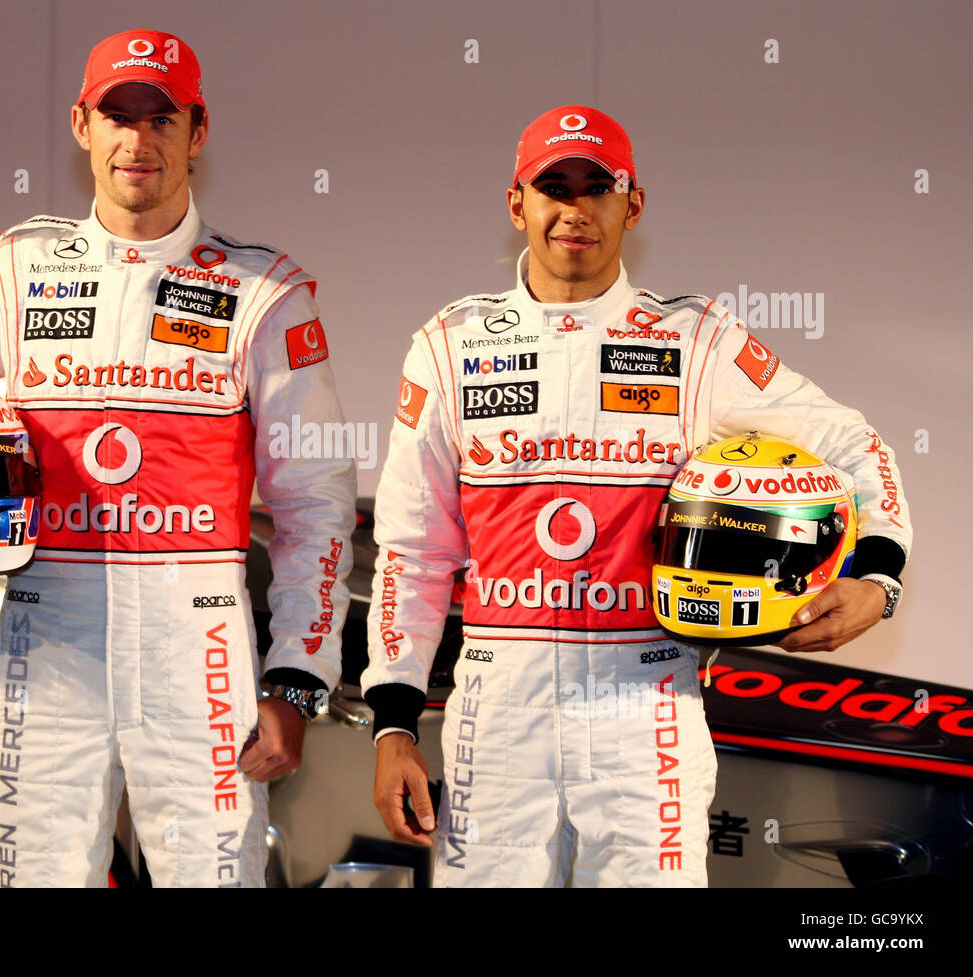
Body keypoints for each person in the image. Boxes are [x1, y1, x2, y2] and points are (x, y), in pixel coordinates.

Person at [0, 29, 356, 888]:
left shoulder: (265, 293)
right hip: (48, 624)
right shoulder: (20, 269)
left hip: (199, 635)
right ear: (81, 125)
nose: (139, 140)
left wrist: (295, 678)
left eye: (161, 118)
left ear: (198, 132)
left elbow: (316, 498)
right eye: (118, 116)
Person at [361, 105, 910, 887]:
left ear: (634, 204)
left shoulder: (695, 339)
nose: (575, 209)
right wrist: (392, 724)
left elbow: (854, 442)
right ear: (517, 203)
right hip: (497, 703)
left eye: (599, 187)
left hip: (647, 700)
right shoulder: (450, 345)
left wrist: (878, 578)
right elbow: (412, 550)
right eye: (554, 187)